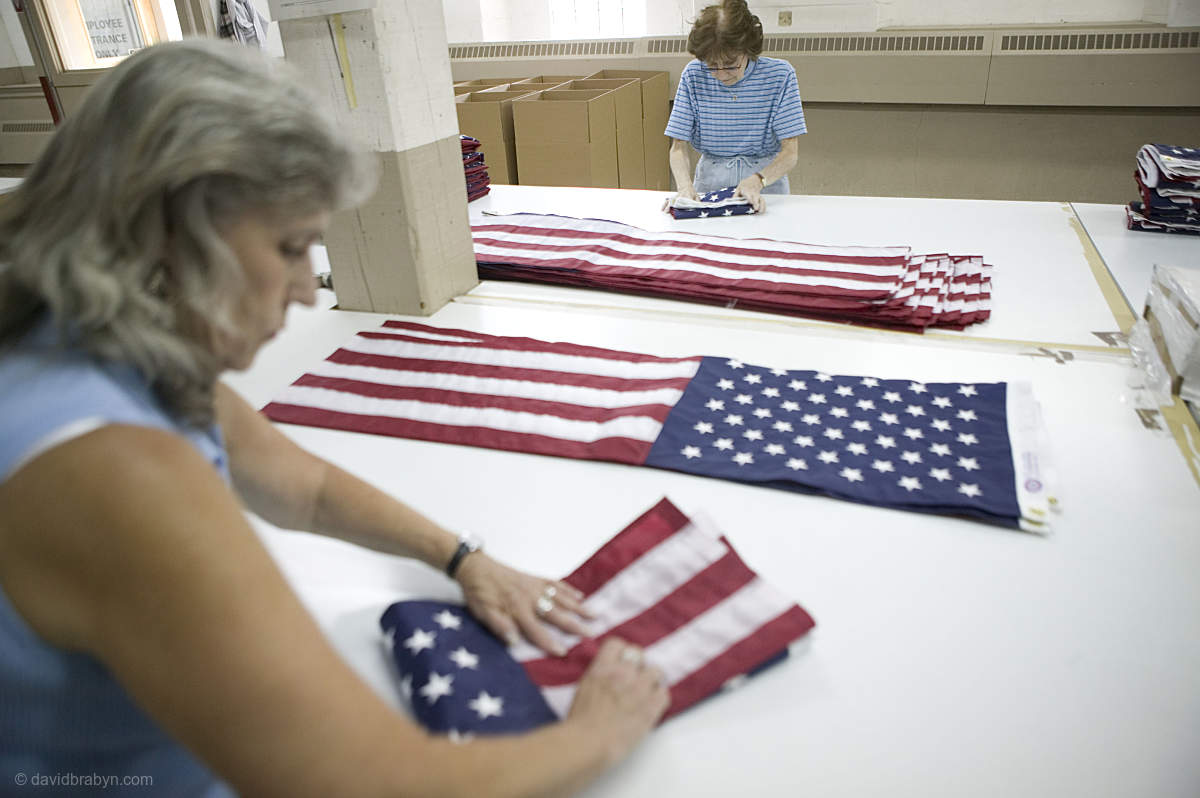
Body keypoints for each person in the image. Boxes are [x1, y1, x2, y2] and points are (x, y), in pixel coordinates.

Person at [0, 40, 667, 797]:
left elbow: (300, 484)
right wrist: (596, 735)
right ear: (170, 232)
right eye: (289, 247)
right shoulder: (112, 472)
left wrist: (461, 558)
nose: (307, 291)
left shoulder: (84, 344)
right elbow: (375, 783)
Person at [665, 0, 806, 213]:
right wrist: (685, 187)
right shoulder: (694, 75)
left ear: (747, 49)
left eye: (731, 63)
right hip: (710, 183)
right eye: (712, 65)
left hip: (766, 185)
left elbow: (790, 153)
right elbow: (678, 148)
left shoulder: (780, 76)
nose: (721, 74)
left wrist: (759, 179)